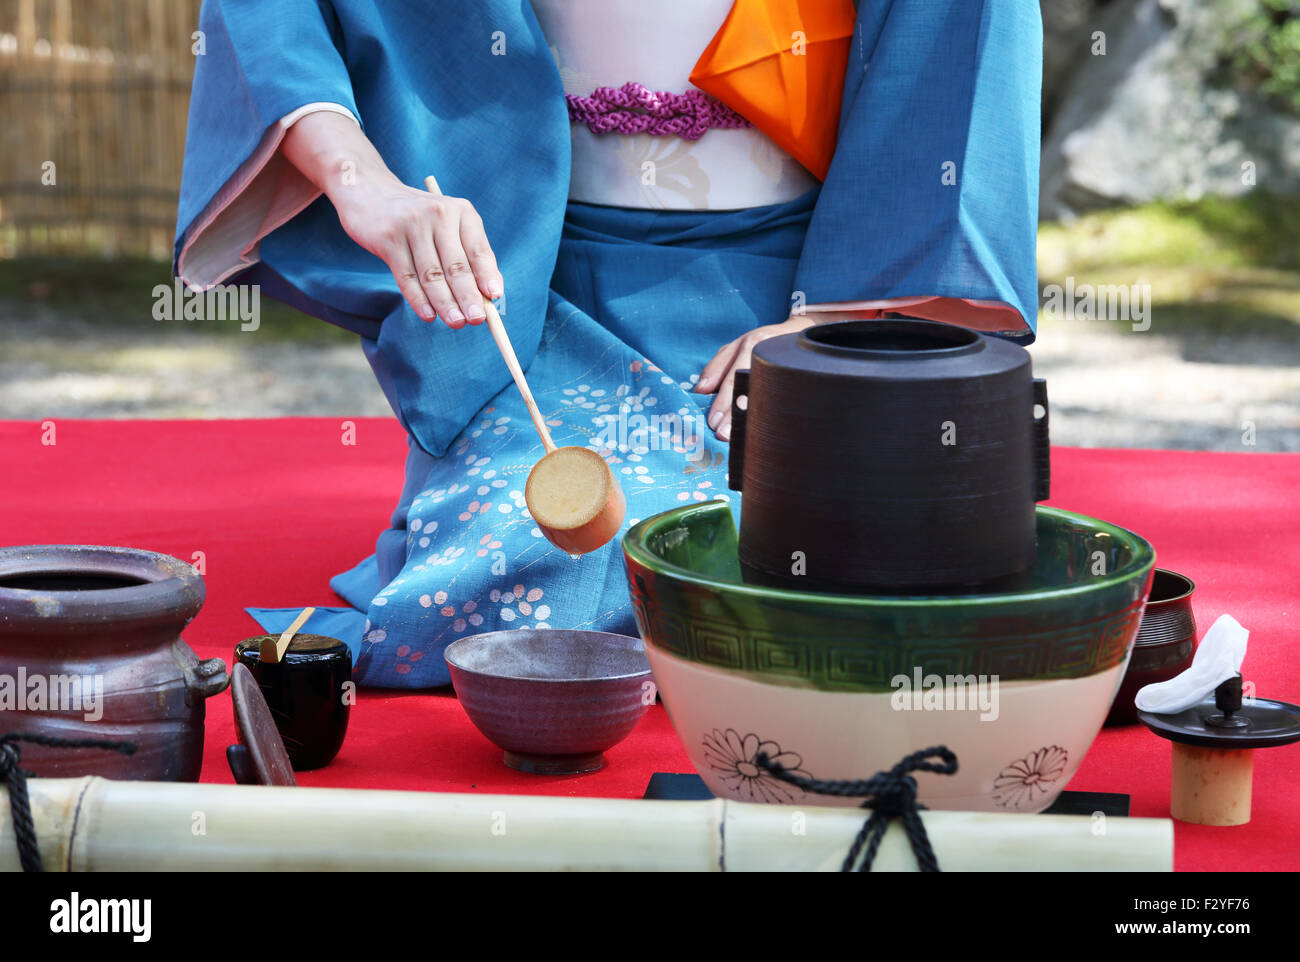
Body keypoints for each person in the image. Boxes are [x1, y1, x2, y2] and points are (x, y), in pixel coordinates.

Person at [175, 0, 1043, 687]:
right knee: (536, 560)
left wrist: (836, 330)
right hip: (537, 275)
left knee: (811, 557)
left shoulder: (823, 317)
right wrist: (362, 180)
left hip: (803, 291)